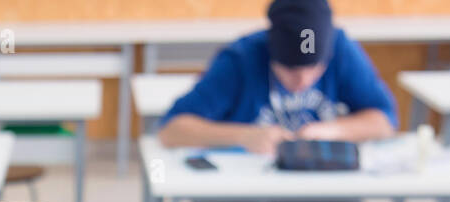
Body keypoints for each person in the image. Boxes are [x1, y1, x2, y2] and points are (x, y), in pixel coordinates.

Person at [158, 0, 397, 155]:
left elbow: (385, 121)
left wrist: (328, 131)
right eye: (290, 70)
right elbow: (171, 130)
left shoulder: (342, 50)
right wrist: (244, 136)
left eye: (315, 69)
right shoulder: (240, 59)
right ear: (271, 51)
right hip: (240, 185)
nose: (303, 81)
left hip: (313, 186)